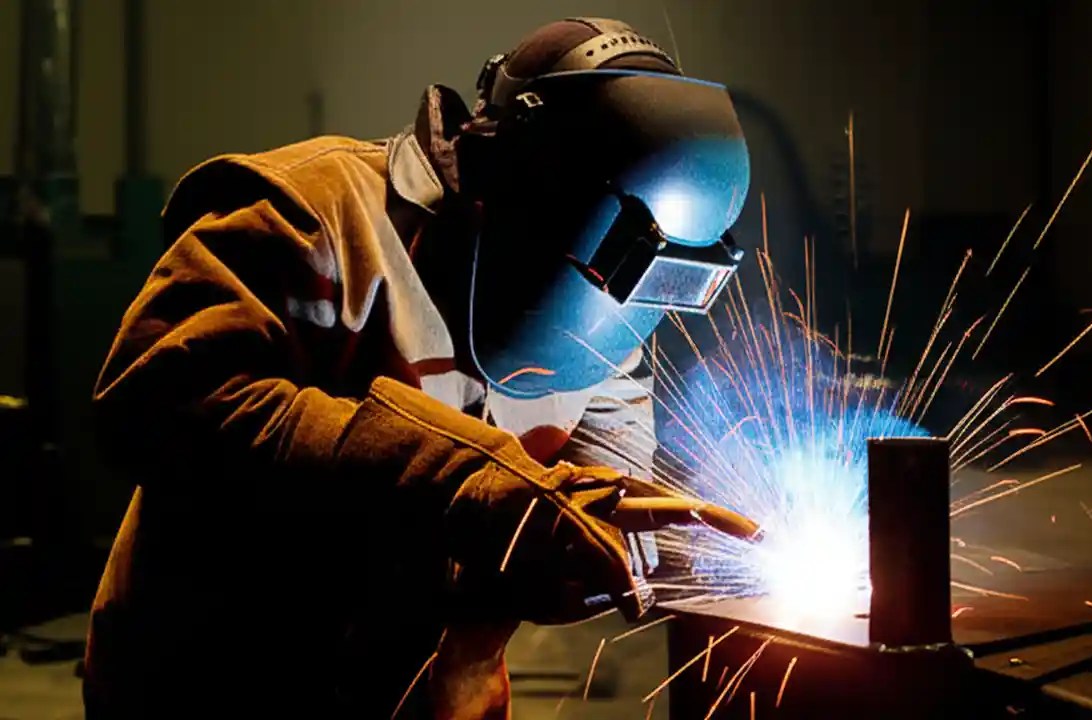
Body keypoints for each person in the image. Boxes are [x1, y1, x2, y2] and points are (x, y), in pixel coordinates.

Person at [82, 16, 754, 720]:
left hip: (417, 698)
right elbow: (152, 397)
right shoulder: (318, 214)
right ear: (511, 184)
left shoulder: (609, 315)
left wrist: (592, 556)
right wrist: (476, 480)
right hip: (210, 685)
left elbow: (590, 513)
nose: (612, 304)